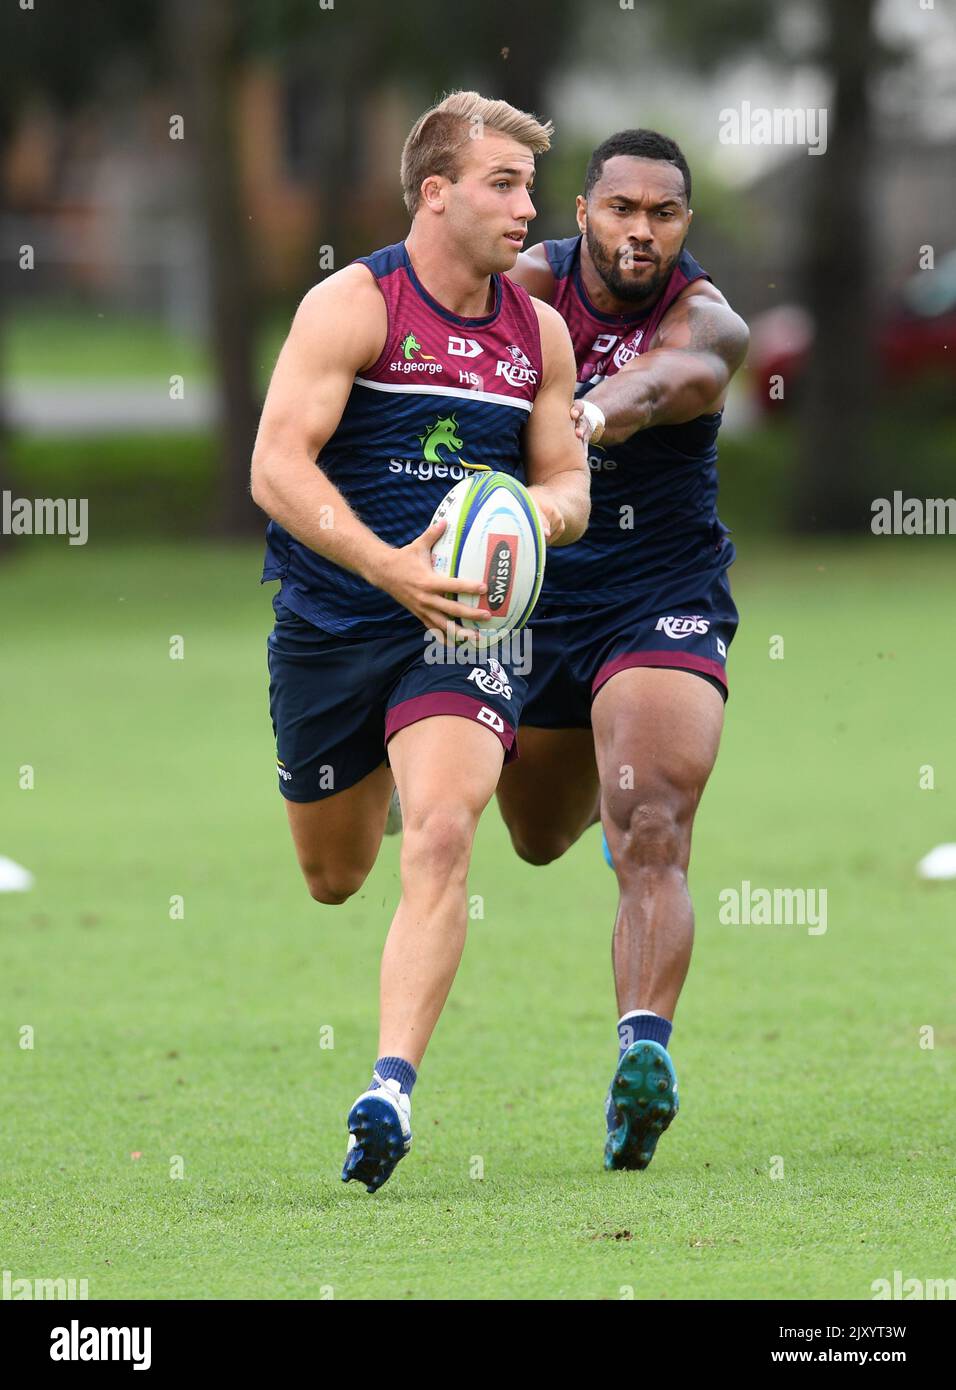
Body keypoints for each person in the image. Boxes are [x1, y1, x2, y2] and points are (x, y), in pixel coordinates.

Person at [251, 91, 589, 1193]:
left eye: (529, 188)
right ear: (434, 193)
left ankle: (388, 1087)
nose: (524, 208)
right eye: (502, 184)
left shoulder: (534, 332)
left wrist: (528, 518)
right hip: (332, 618)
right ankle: (383, 774)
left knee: (445, 832)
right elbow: (276, 469)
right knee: (334, 874)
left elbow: (568, 483)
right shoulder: (351, 305)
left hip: (458, 631)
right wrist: (388, 563)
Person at [498, 129, 749, 1172]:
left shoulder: (705, 319)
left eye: (662, 213)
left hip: (659, 597)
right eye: (619, 209)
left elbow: (666, 384)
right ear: (581, 210)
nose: (639, 231)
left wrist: (586, 411)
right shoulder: (517, 289)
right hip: (536, 600)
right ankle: (601, 817)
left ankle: (641, 1053)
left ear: (683, 224)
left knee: (652, 817)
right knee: (538, 835)